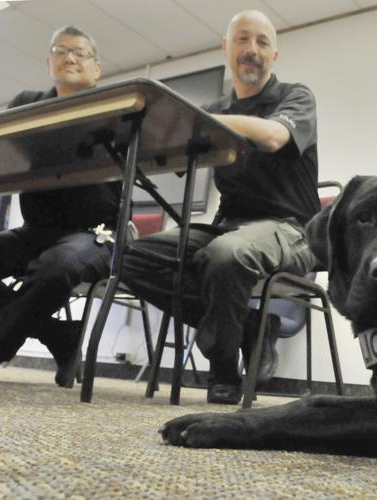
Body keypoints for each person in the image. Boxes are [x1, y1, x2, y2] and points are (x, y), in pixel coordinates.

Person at [122, 10, 319, 405]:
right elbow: (171, 155)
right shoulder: (216, 108)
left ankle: (224, 367)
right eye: (243, 40)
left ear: (274, 55)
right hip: (229, 225)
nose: (252, 50)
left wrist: (201, 121)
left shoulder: (295, 96)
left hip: (291, 230)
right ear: (226, 48)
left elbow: (274, 136)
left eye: (263, 42)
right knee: (128, 255)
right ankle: (248, 326)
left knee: (225, 255)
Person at [0, 26, 119, 386]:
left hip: (97, 233)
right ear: (49, 63)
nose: (70, 58)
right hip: (37, 233)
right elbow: (2, 157)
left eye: (80, 53)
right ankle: (58, 335)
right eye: (61, 51)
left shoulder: (116, 107)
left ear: (97, 68)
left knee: (56, 265)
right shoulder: (27, 104)